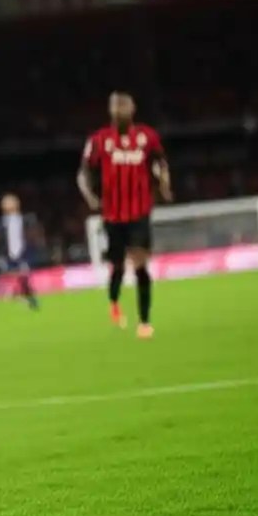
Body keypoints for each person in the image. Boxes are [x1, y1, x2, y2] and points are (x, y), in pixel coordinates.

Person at [78, 91, 172, 339]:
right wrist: (91, 197)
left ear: (132, 110)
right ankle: (114, 302)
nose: (121, 112)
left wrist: (164, 185)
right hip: (113, 216)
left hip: (139, 212)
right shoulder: (99, 140)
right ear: (111, 113)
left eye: (125, 108)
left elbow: (161, 163)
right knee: (118, 267)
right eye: (117, 109)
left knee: (141, 266)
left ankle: (144, 321)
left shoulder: (147, 137)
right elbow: (84, 172)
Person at [0, 193, 41, 310]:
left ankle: (29, 300)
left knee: (24, 278)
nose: (10, 204)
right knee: (8, 280)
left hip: (24, 255)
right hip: (6, 257)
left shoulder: (27, 220)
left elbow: (35, 237)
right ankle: (14, 298)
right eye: (7, 202)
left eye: (12, 201)